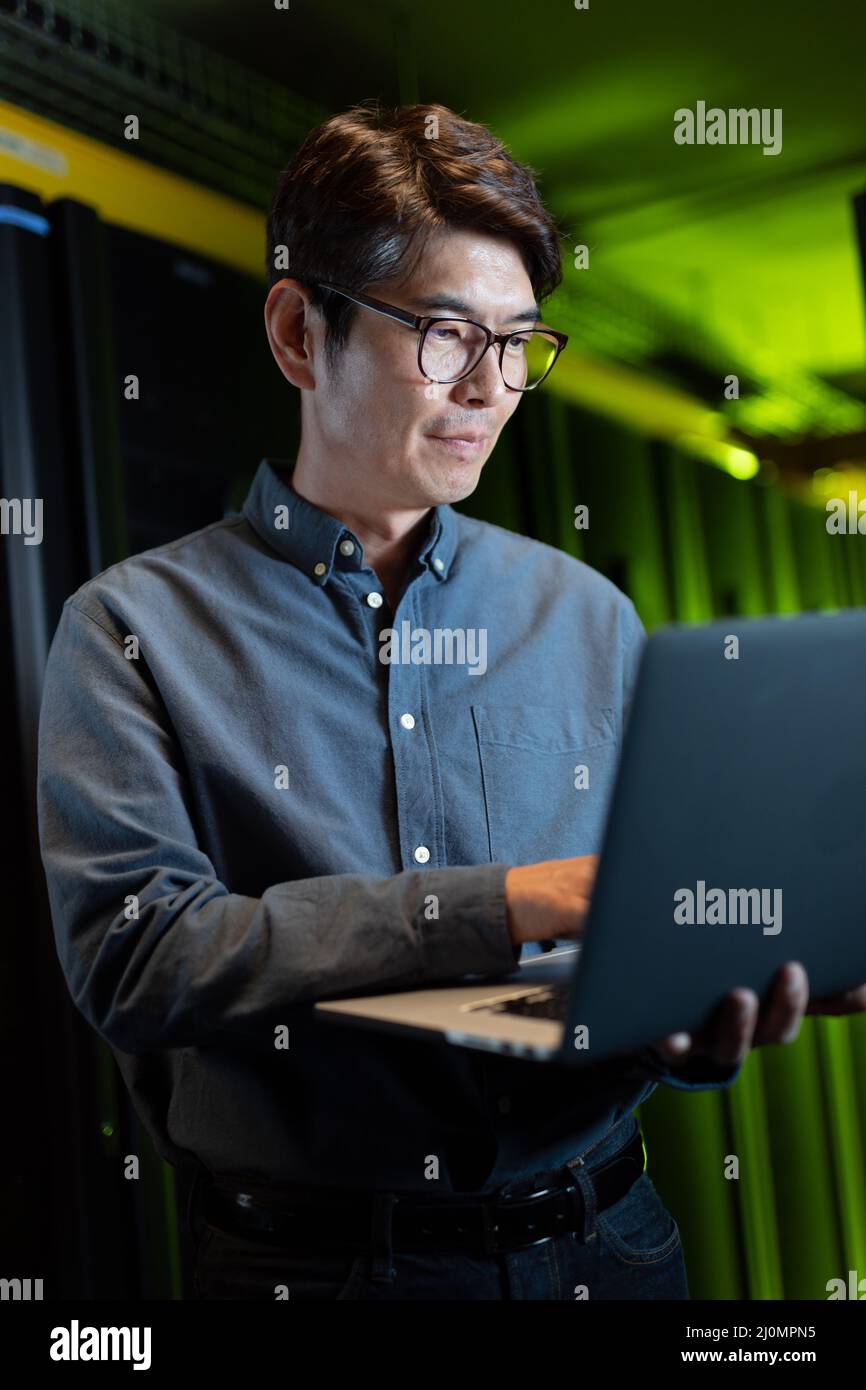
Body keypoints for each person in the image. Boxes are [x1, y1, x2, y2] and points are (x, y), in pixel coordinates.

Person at [36, 100, 866, 1302]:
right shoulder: (130, 630)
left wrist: (698, 1011)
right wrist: (500, 903)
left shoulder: (585, 614)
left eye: (519, 341)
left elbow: (622, 951)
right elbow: (139, 955)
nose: (490, 385)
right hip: (315, 1273)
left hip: (612, 1246)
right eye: (443, 333)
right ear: (297, 333)